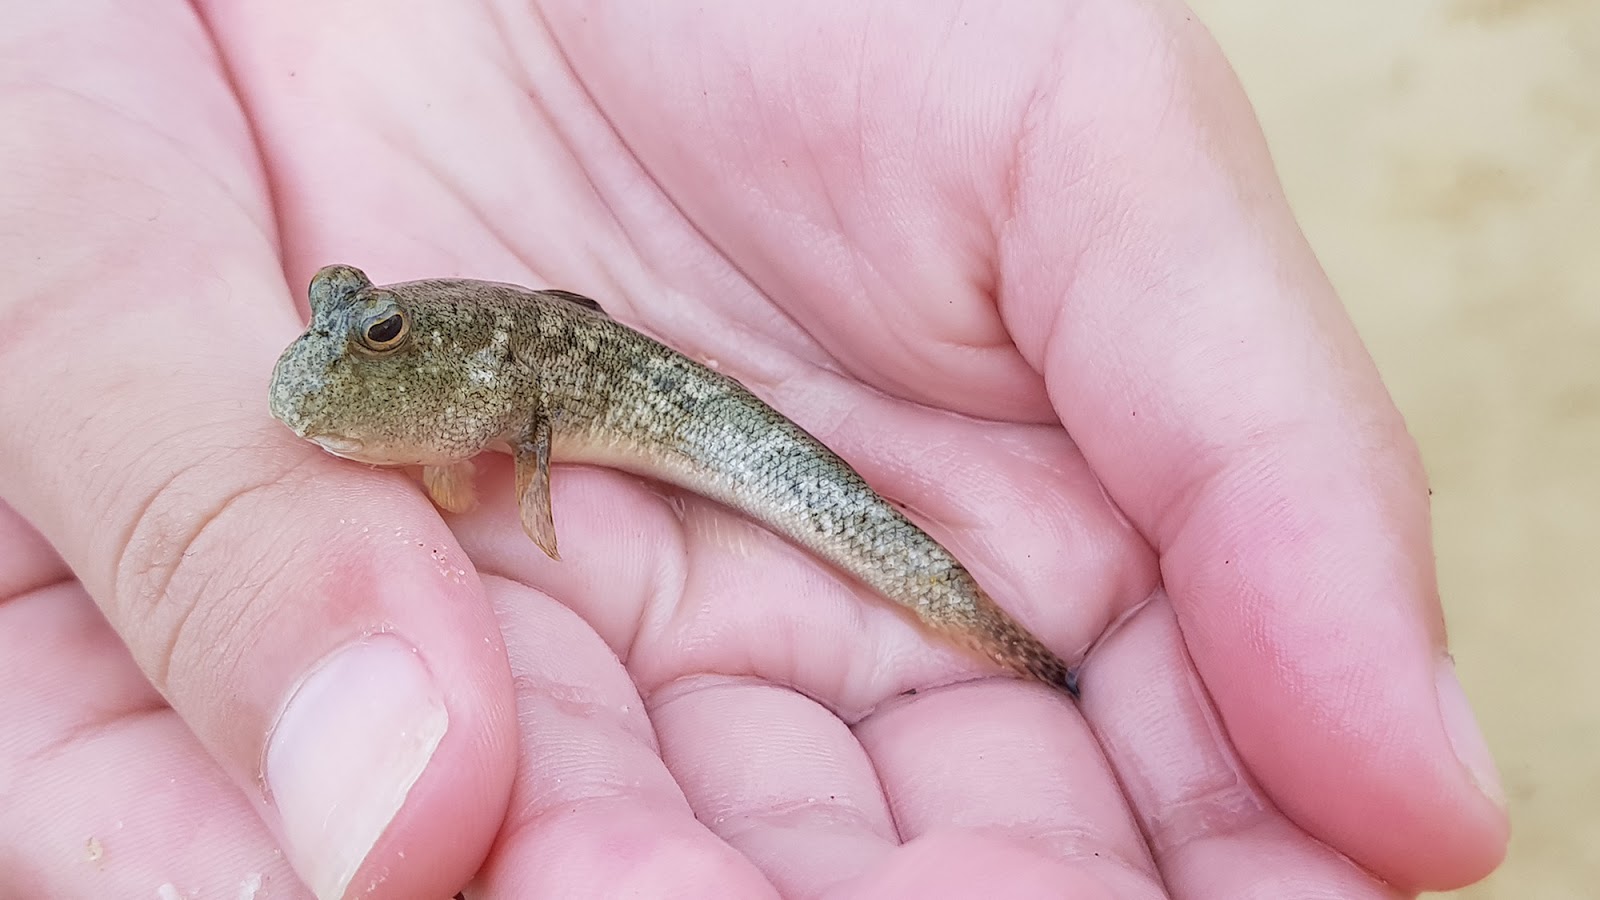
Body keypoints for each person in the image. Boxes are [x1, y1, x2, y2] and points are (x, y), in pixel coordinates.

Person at [0, 2, 1508, 897]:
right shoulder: (423, 362)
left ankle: (1000, 638)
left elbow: (528, 418)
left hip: (682, 403)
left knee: (828, 507)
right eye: (346, 324)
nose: (344, 349)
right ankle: (1011, 646)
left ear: (444, 353)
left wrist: (531, 487)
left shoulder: (507, 372)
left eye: (375, 335)